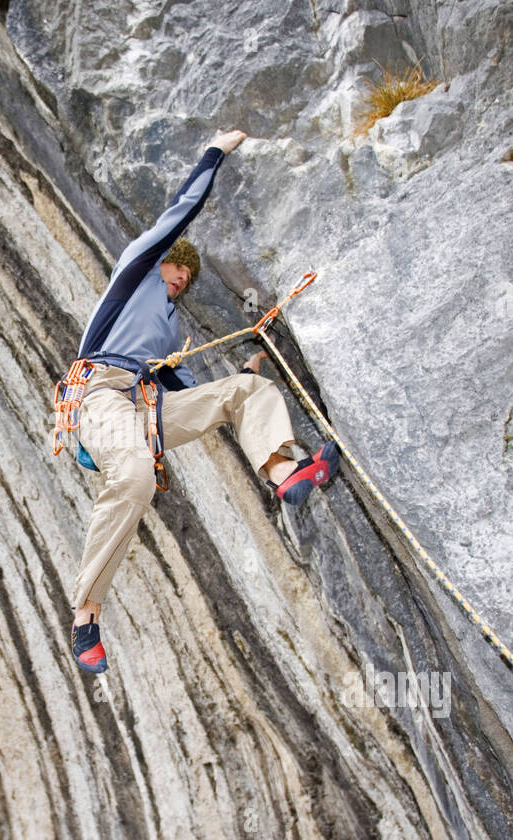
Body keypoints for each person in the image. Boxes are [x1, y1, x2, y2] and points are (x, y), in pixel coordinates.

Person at [67, 129, 339, 674]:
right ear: (162, 261)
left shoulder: (170, 331)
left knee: (246, 391)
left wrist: (243, 371)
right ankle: (86, 614)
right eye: (179, 268)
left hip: (144, 410)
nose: (182, 278)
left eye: (188, 278)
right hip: (99, 393)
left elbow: (192, 396)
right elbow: (179, 214)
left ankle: (285, 471)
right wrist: (217, 150)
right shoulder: (137, 273)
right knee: (138, 477)